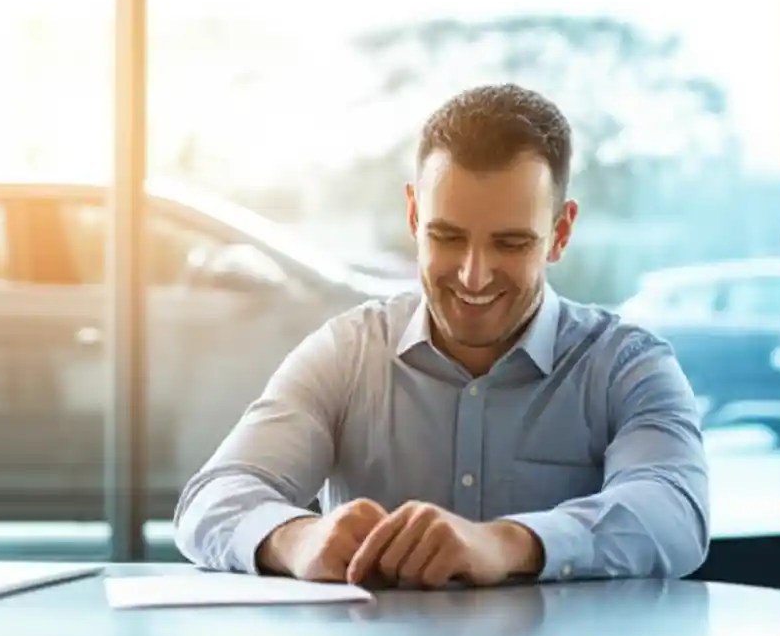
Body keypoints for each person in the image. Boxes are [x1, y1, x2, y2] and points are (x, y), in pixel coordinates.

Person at [173, 83, 710, 589]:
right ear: (413, 215)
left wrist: (509, 543)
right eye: (447, 237)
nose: (474, 276)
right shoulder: (347, 353)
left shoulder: (626, 366)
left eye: (510, 243)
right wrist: (296, 539)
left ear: (560, 233)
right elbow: (212, 498)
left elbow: (676, 510)